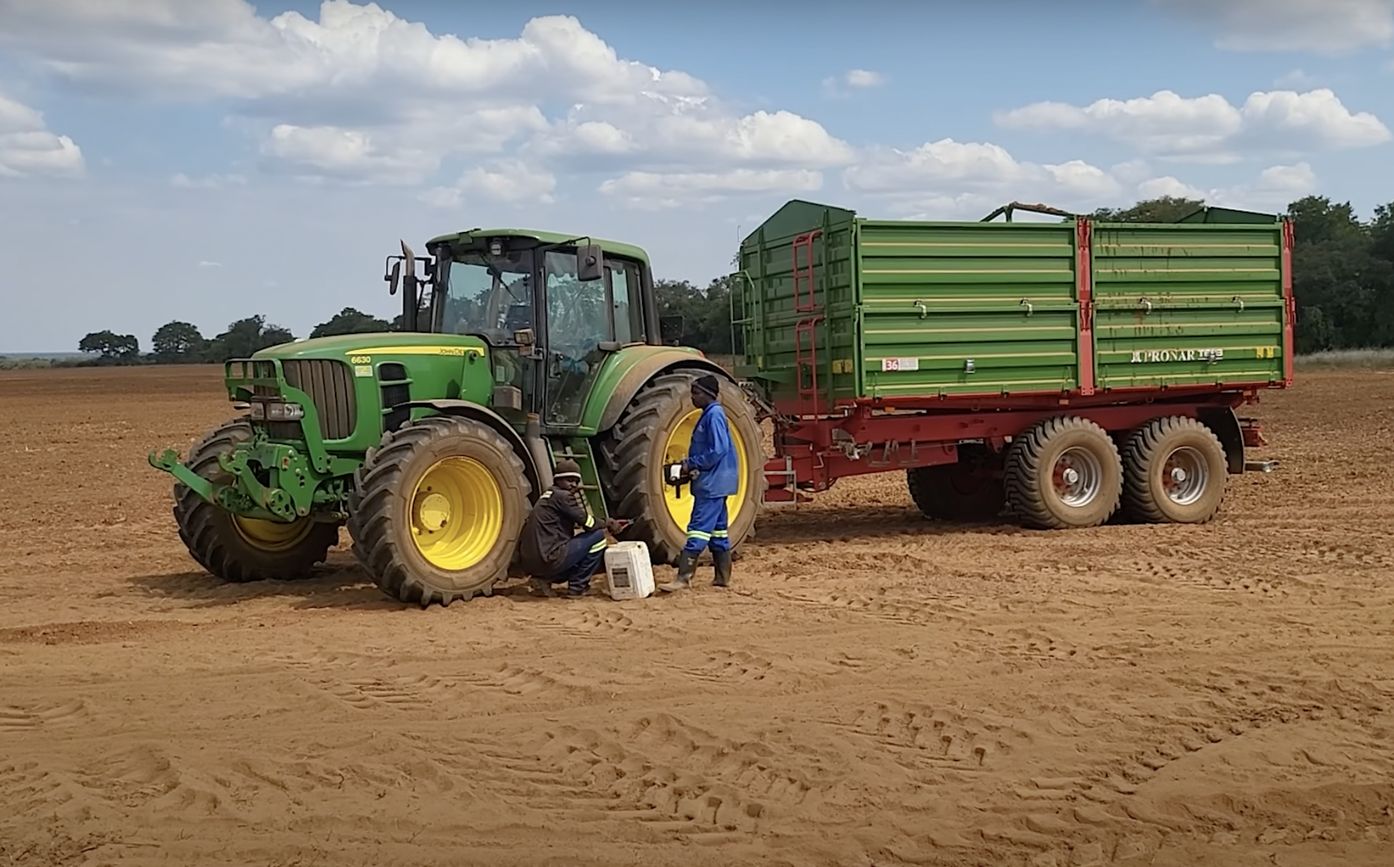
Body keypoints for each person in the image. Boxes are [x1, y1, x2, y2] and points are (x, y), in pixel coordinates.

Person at [659, 374, 738, 592]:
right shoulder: (710, 414)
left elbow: (718, 450)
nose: (692, 397)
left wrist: (691, 464)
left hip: (712, 483)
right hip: (718, 483)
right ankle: (722, 577)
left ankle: (683, 577)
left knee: (697, 529)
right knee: (719, 531)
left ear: (708, 394)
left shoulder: (713, 415)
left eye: (696, 393)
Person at [519, 459, 628, 598]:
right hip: (549, 559)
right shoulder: (564, 497)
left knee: (580, 549)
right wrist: (608, 524)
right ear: (558, 480)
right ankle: (577, 587)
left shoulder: (548, 495)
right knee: (599, 537)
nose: (573, 485)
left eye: (576, 481)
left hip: (532, 562)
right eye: (569, 480)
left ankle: (544, 579)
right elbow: (588, 523)